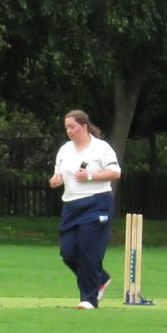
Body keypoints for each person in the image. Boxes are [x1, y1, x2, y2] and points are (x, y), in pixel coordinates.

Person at [48, 110, 121, 309]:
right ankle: (101, 278)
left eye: (72, 127)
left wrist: (90, 176)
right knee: (68, 252)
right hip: (71, 205)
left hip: (97, 204)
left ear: (84, 126)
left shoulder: (101, 148)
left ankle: (89, 299)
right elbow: (59, 176)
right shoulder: (65, 150)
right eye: (66, 128)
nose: (69, 131)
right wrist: (56, 181)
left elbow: (115, 173)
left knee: (89, 252)